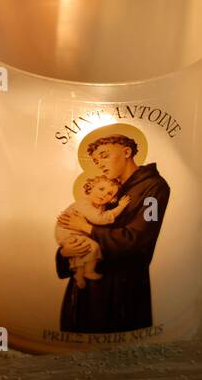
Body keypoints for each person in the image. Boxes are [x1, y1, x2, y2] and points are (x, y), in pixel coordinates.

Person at [56, 133, 170, 333]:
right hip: (84, 286)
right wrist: (65, 252)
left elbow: (138, 239)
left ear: (126, 152)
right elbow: (78, 232)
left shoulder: (153, 188)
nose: (100, 163)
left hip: (121, 290)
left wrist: (86, 227)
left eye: (104, 155)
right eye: (96, 160)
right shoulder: (109, 189)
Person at [54, 175, 132, 289]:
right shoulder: (85, 204)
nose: (104, 194)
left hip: (74, 234)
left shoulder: (99, 206)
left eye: (110, 194)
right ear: (90, 187)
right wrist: (120, 208)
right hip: (68, 233)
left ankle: (79, 276)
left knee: (84, 251)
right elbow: (100, 219)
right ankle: (88, 272)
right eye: (101, 189)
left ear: (112, 199)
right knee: (93, 247)